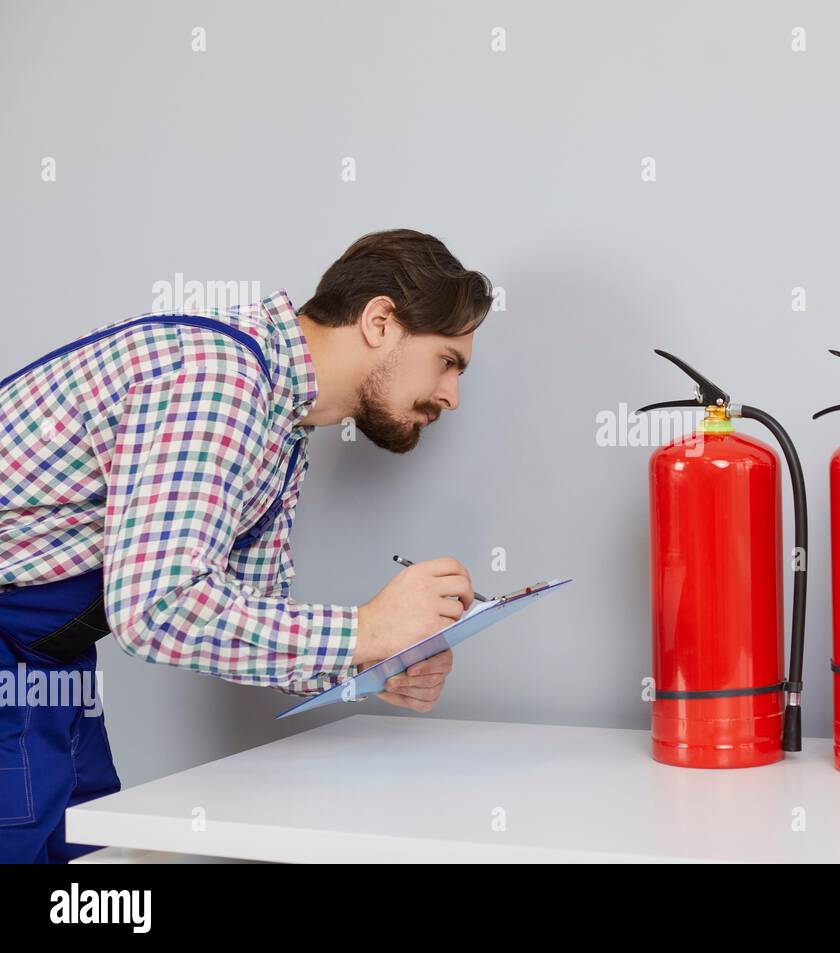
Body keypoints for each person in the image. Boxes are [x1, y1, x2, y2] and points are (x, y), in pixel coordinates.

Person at [0, 228, 491, 863]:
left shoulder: (283, 424)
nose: (452, 395)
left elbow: (242, 613)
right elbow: (158, 611)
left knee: (90, 860)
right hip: (15, 642)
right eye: (448, 361)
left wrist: (374, 661)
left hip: (43, 655)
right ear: (379, 321)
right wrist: (363, 628)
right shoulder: (219, 376)